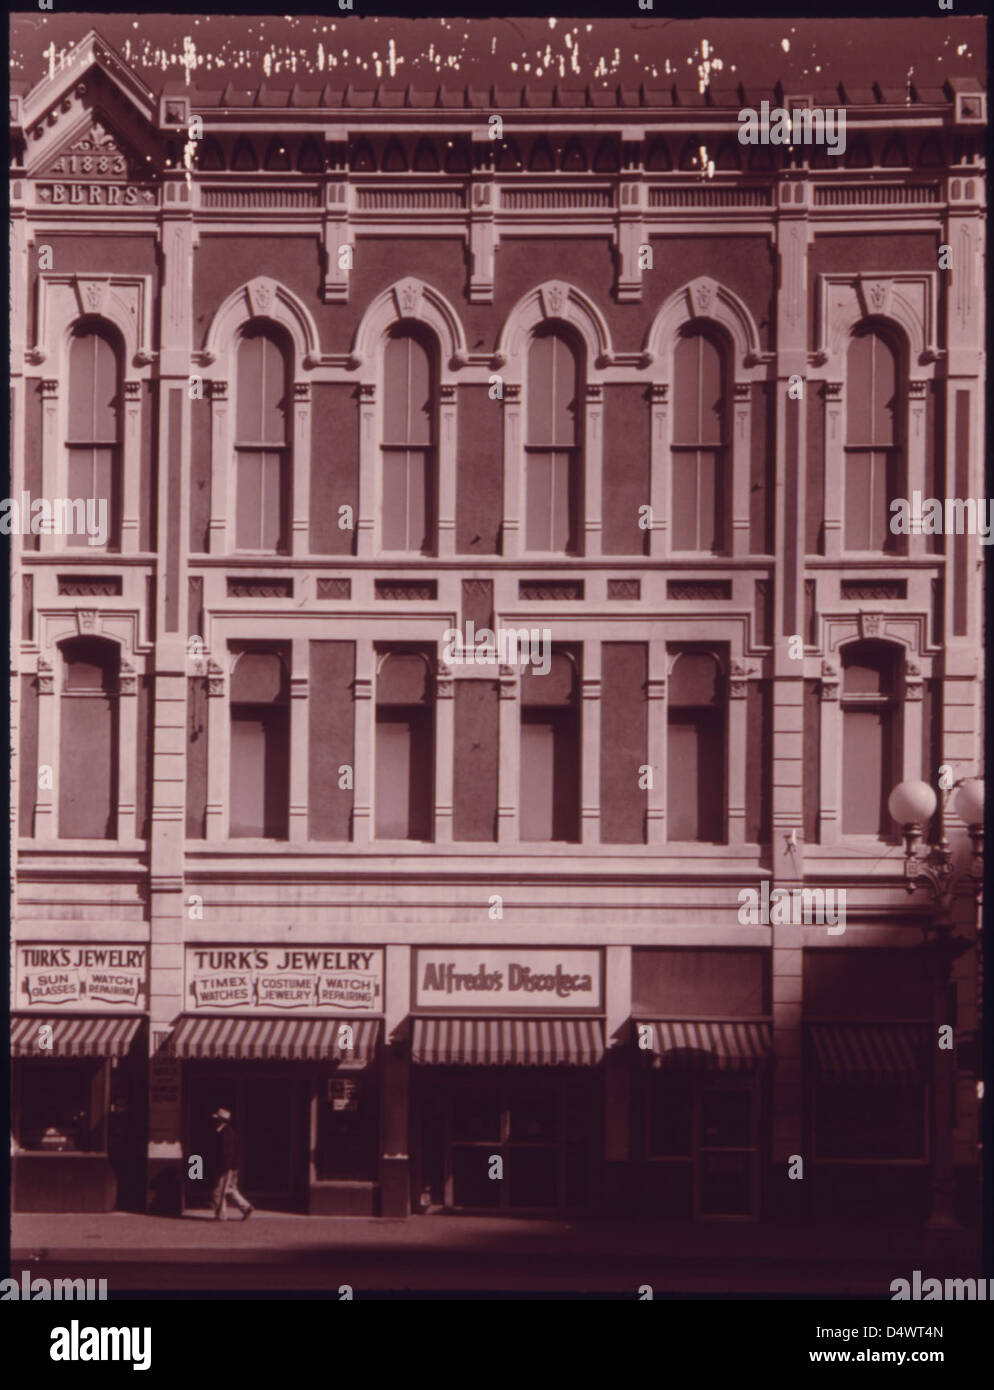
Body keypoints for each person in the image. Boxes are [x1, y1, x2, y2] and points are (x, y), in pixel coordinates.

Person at [210, 1107, 253, 1221]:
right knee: (229, 1190)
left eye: (217, 1119)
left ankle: (221, 1214)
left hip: (226, 1167)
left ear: (220, 1120)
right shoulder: (228, 1131)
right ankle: (246, 1207)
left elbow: (226, 1152)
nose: (214, 1121)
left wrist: (223, 1168)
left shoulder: (225, 1133)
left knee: (219, 1191)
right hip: (231, 1166)